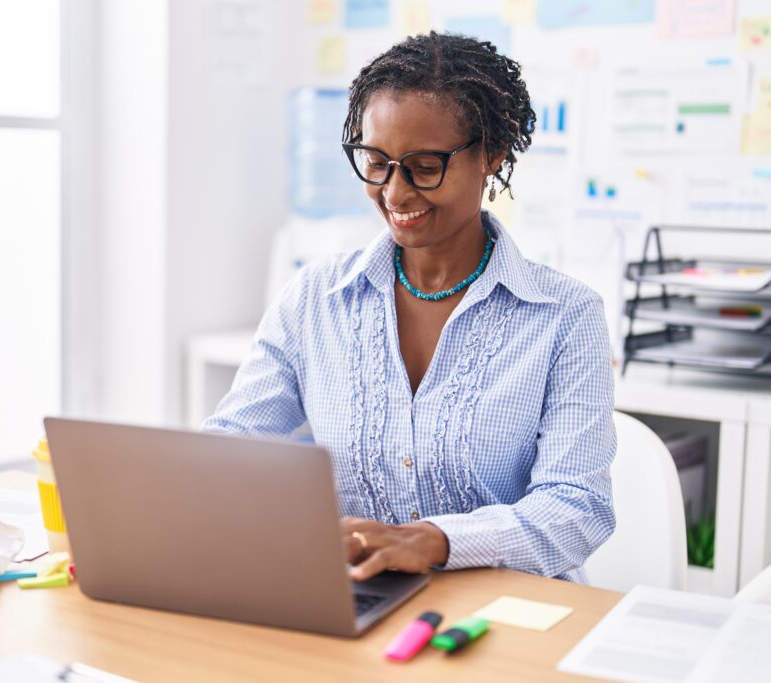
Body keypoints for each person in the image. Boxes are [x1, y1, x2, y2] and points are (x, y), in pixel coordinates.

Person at [202, 32, 615, 584]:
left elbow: (577, 507)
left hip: (506, 610)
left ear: (491, 155)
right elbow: (233, 447)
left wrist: (436, 542)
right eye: (376, 163)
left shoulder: (565, 316)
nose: (394, 194)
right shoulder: (315, 299)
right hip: (358, 593)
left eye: (423, 167)